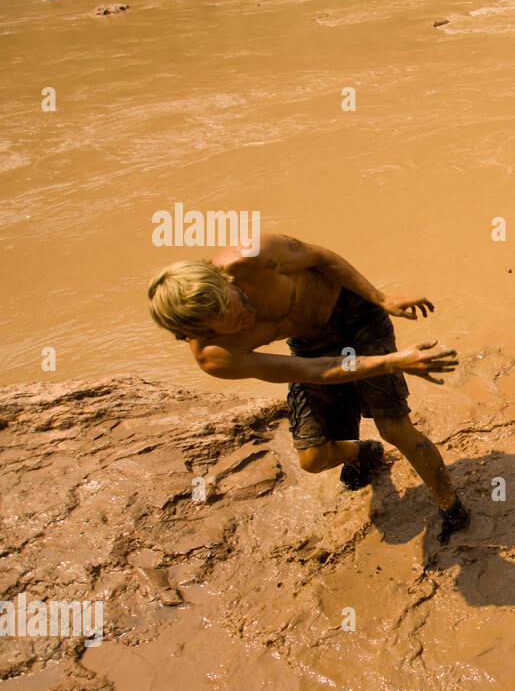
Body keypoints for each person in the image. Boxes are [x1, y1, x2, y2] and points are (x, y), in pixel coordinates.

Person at [146, 233, 471, 544]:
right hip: (309, 348)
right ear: (199, 331)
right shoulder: (216, 357)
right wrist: (392, 363)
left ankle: (453, 510)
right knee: (313, 457)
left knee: (395, 429)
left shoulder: (255, 254)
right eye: (225, 320)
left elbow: (321, 257)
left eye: (232, 300)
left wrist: (382, 299)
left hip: (355, 316)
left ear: (223, 279)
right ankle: (364, 453)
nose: (242, 313)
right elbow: (310, 370)